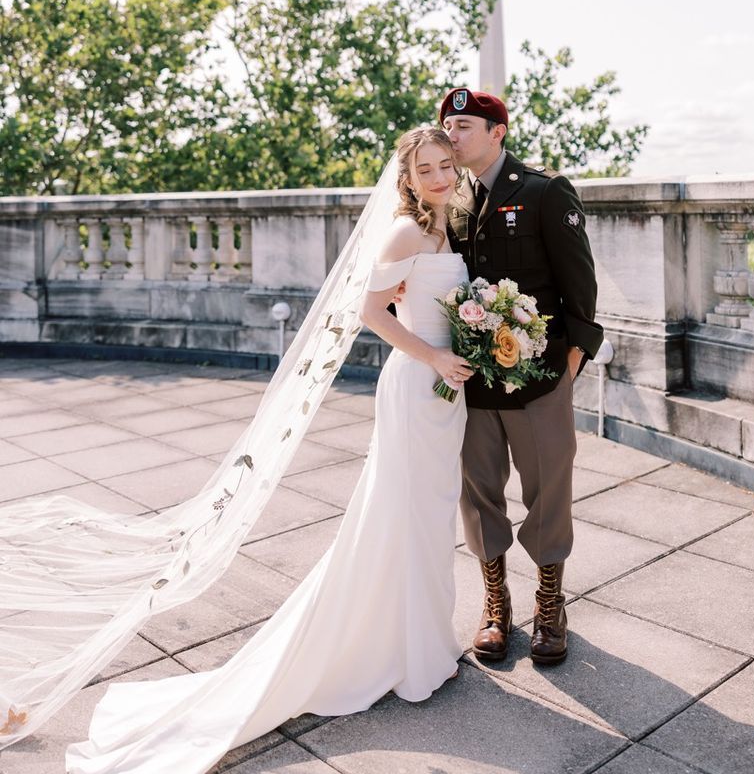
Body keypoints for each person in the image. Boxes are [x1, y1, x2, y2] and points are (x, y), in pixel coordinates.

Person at [64, 126, 473, 774]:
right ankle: (408, 658)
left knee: (428, 518)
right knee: (403, 516)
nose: (440, 177)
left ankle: (425, 645)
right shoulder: (403, 231)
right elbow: (371, 311)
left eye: (446, 166)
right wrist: (434, 355)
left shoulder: (446, 228)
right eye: (427, 169)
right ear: (407, 176)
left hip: (445, 394)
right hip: (415, 384)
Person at [440, 87, 603, 666]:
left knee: (547, 492)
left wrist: (571, 364)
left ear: (496, 132)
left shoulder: (542, 190)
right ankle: (496, 605)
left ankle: (551, 602)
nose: (452, 137)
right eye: (448, 127)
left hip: (539, 380)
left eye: (463, 127)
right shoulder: (450, 196)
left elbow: (580, 289)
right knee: (479, 491)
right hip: (475, 382)